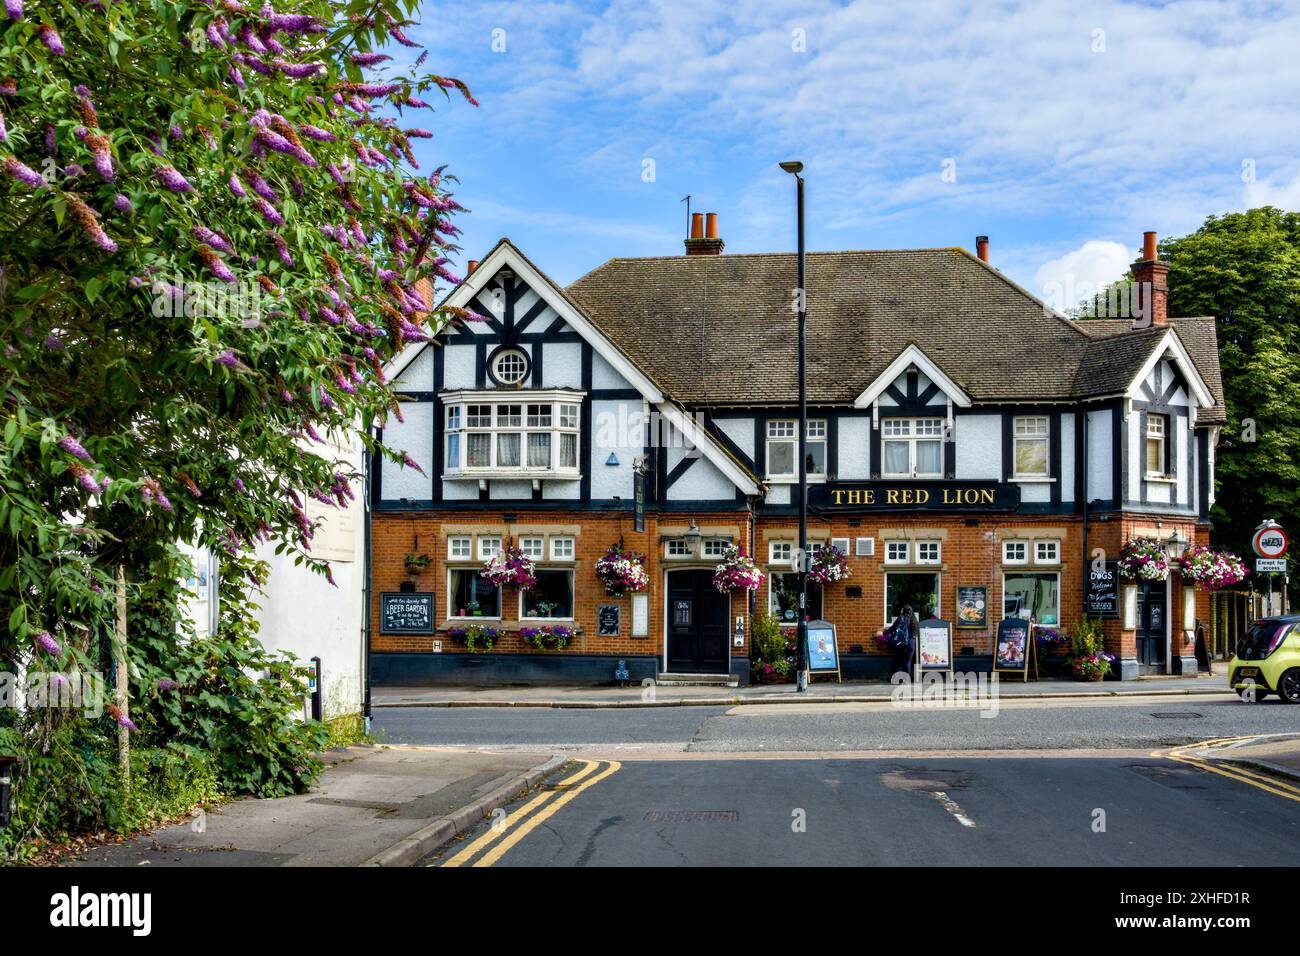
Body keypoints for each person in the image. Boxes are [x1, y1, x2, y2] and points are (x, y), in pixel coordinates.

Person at [890, 604, 919, 679]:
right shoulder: (914, 620)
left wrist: (883, 633)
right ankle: (907, 679)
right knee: (907, 661)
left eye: (902, 609)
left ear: (904, 610)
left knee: (896, 661)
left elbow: (892, 628)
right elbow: (916, 633)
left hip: (900, 643)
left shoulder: (901, 618)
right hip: (911, 644)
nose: (901, 610)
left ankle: (894, 678)